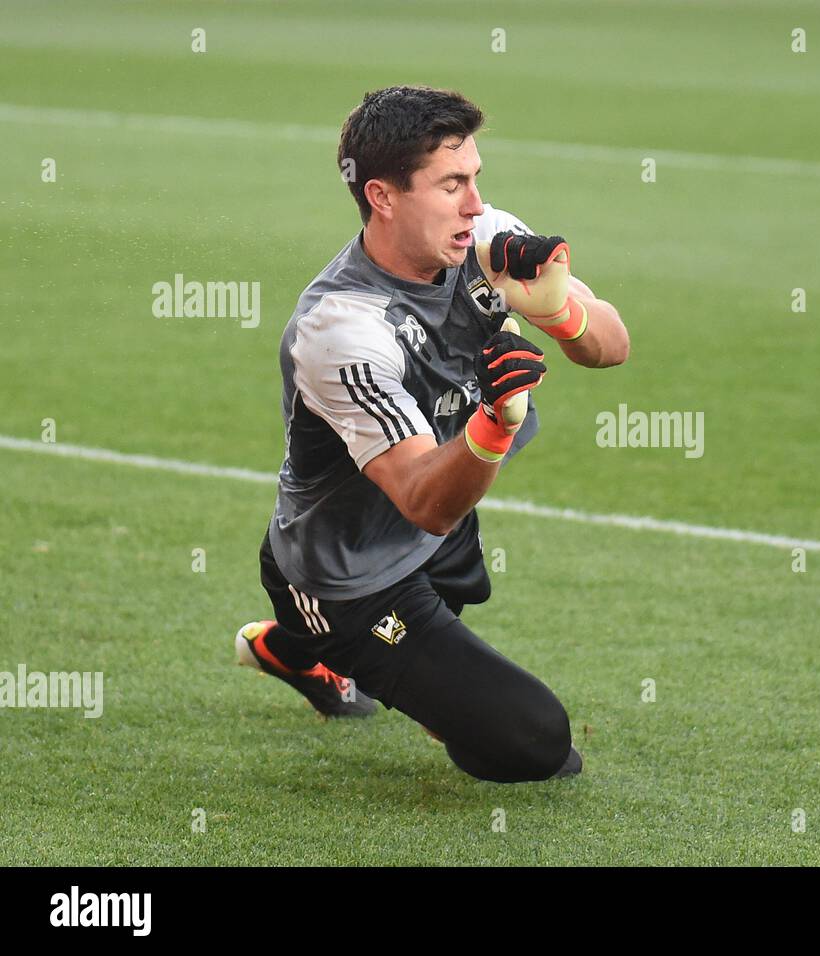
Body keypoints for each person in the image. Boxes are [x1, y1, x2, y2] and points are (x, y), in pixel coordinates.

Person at [234, 85, 629, 783]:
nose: (476, 204)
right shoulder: (340, 330)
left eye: (475, 178)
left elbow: (613, 345)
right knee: (538, 745)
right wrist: (494, 423)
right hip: (347, 573)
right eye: (452, 185)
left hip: (434, 529)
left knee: (454, 601)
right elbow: (426, 498)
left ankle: (288, 648)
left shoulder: (478, 238)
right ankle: (310, 641)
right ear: (383, 197)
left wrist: (561, 313)